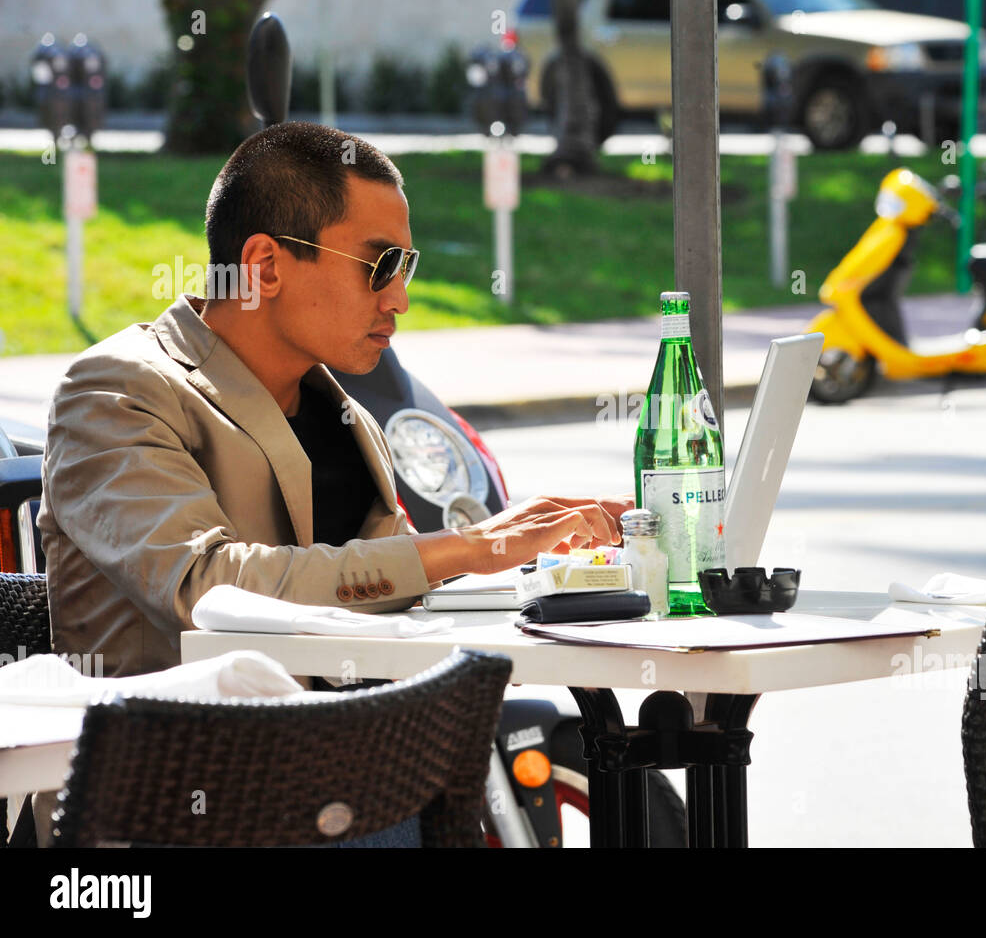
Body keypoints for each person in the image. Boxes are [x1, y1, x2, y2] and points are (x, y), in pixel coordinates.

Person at [29, 121, 630, 846]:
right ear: (265, 265)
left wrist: (557, 575)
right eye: (378, 266)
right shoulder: (119, 390)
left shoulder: (338, 407)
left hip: (348, 775)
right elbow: (204, 586)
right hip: (180, 806)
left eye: (407, 266)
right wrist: (466, 547)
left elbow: (384, 592)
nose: (400, 299)